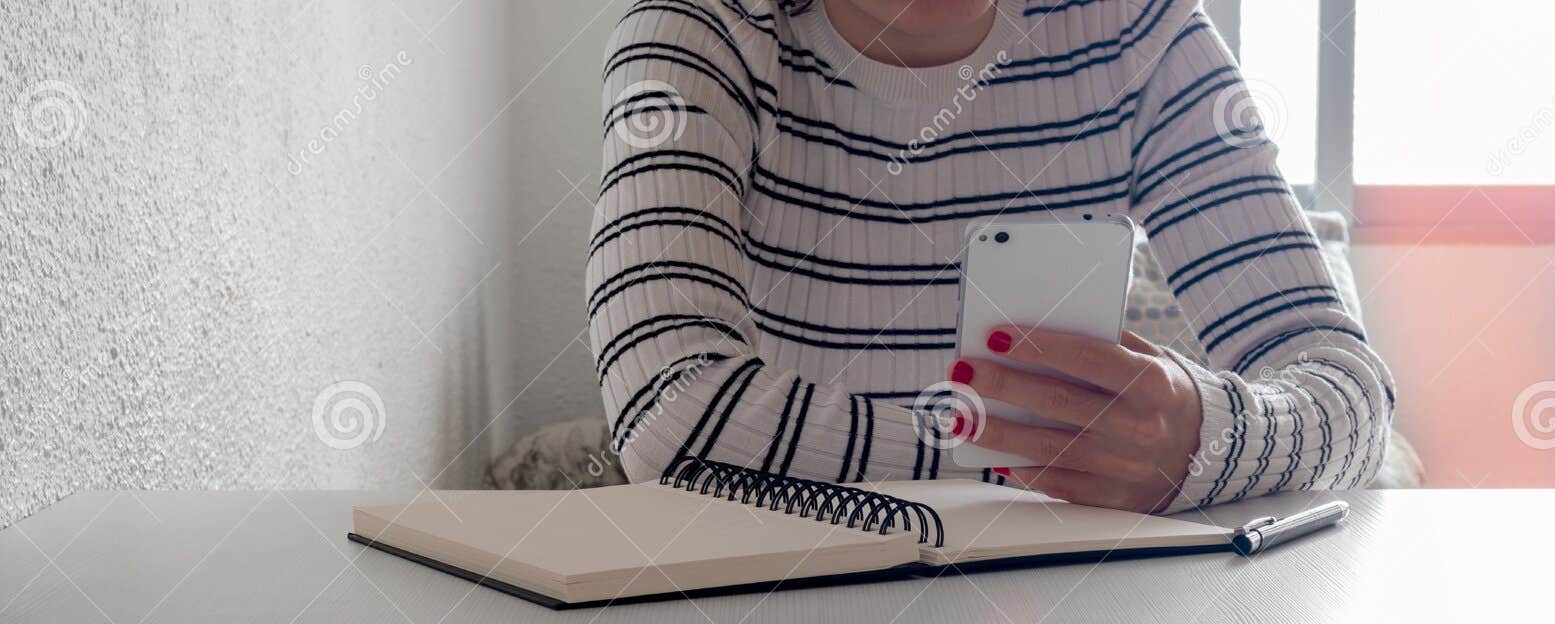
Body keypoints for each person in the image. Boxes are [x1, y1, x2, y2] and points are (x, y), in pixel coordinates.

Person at [585, 0, 1393, 513]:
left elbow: (1351, 398)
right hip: (787, 610)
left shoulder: (1141, 31)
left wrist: (1198, 439)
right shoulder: (700, 33)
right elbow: (668, 410)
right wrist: (1040, 467)